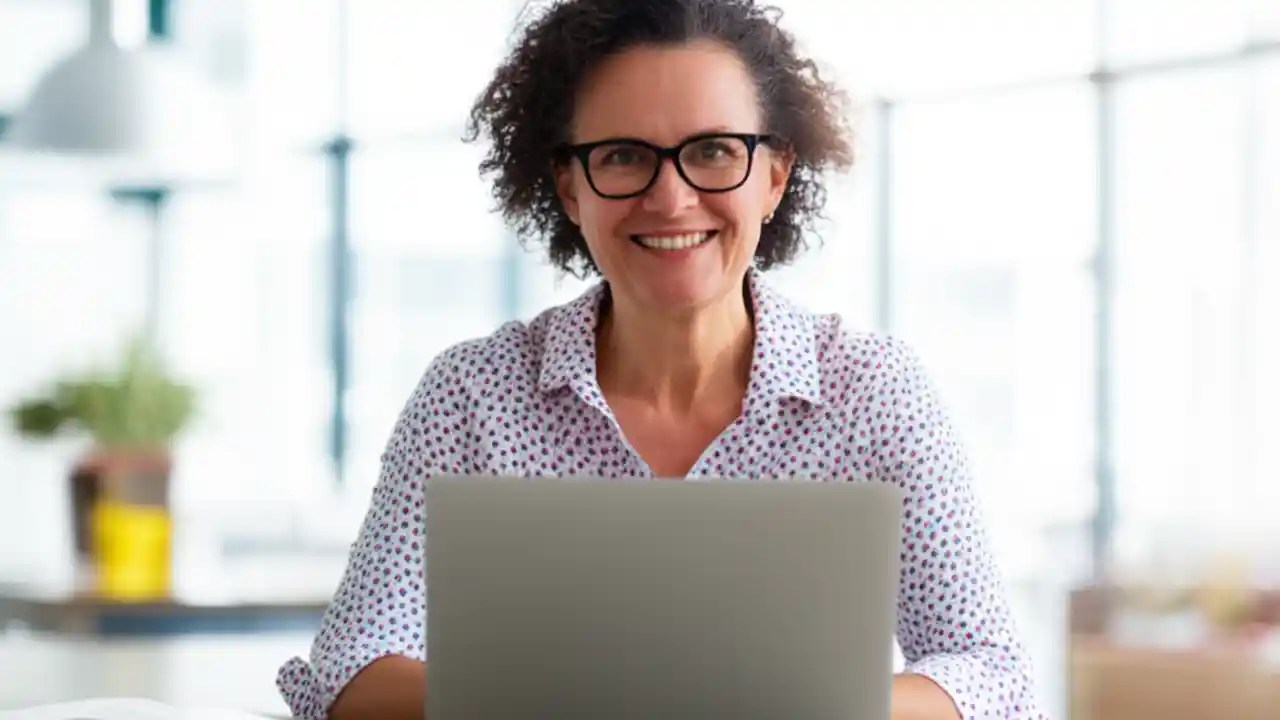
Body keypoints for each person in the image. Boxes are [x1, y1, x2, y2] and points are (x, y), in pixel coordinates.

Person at [276, 1, 1043, 718]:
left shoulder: (873, 392)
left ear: (775, 176)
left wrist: (798, 706)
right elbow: (348, 670)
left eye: (713, 151)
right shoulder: (473, 396)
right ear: (569, 187)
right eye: (622, 156)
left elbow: (995, 677)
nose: (671, 199)